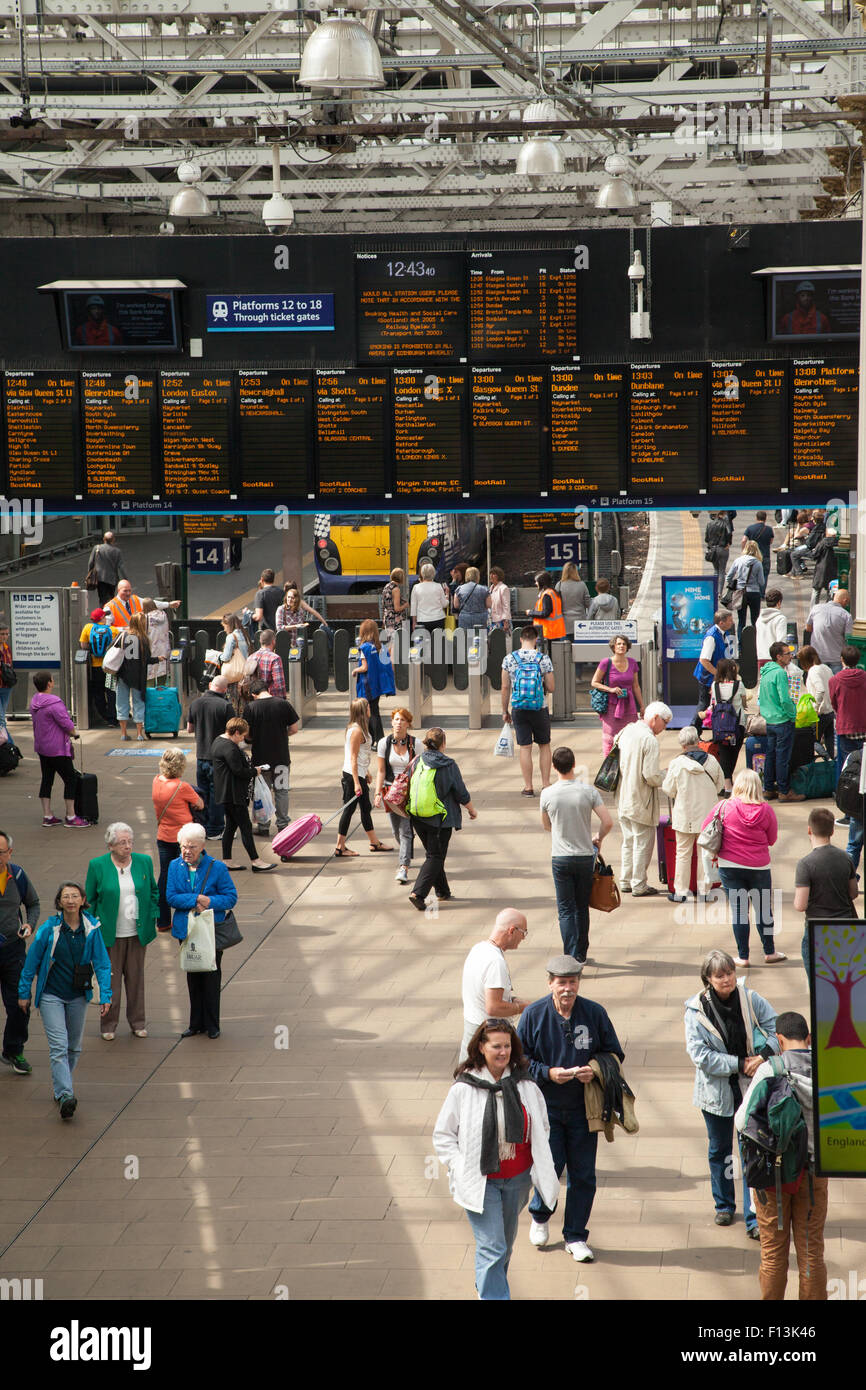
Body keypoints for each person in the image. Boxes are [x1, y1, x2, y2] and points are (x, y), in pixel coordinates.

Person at [432, 1018, 559, 1300]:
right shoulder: (464, 1089)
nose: (503, 1052)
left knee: (504, 1246)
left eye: (507, 1046)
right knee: (493, 1248)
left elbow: (542, 1125)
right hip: (481, 1182)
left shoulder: (525, 1084)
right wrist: (458, 1164)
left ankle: (486, 1287)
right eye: (496, 1046)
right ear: (481, 1047)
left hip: (517, 1180)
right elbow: (443, 1135)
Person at [518, 954, 624, 1263]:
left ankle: (576, 1235)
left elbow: (613, 1052)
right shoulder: (533, 1016)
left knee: (583, 1175)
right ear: (550, 983)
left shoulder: (594, 1013)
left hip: (584, 1109)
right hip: (546, 1109)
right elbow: (520, 1060)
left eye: (573, 982)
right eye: (561, 982)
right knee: (548, 1170)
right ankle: (540, 1215)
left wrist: (595, 1068)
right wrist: (548, 1073)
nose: (567, 989)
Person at [684, 949, 778, 1238]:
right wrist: (739, 1064)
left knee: (751, 1150)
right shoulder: (695, 1011)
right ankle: (724, 1204)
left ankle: (753, 1216)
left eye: (729, 973)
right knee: (720, 1149)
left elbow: (775, 1029)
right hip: (717, 1092)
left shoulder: (750, 998)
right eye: (719, 975)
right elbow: (700, 1055)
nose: (726, 979)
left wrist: (762, 1057)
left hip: (750, 1088)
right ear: (708, 979)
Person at [735, 1012, 829, 1300]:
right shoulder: (828, 1069)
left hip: (773, 1177)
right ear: (810, 1039)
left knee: (774, 1254)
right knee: (811, 1250)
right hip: (814, 1173)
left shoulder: (771, 1069)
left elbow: (741, 1121)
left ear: (779, 1039)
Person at [18, 882, 112, 1119]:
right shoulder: (49, 930)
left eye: (74, 896)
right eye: (65, 897)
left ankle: (61, 1086)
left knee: (73, 1047)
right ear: (59, 902)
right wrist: (23, 992)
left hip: (78, 995)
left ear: (82, 900)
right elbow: (31, 962)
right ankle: (66, 1094)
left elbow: (101, 963)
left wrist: (106, 996)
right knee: (59, 1046)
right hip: (51, 995)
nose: (70, 900)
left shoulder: (92, 928)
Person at [701, 769, 786, 965]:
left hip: (730, 867)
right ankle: (770, 952)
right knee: (764, 910)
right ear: (758, 786)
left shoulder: (723, 806)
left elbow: (706, 828)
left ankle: (743, 956)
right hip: (759, 868)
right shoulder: (766, 810)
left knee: (740, 912)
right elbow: (772, 839)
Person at [85, 824, 159, 1041]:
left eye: (130, 841)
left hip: (137, 933)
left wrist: (152, 915)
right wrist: (92, 926)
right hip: (109, 934)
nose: (128, 846)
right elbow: (89, 900)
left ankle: (138, 1023)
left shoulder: (143, 861)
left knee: (136, 980)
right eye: (122, 843)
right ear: (110, 846)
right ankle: (108, 1024)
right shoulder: (97, 865)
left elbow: (153, 890)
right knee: (110, 982)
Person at [541, 746, 613, 963]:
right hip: (584, 857)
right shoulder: (588, 791)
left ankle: (570, 955)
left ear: (554, 767)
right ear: (574, 765)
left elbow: (546, 825)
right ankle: (581, 954)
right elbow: (608, 821)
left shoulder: (547, 793)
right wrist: (598, 838)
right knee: (582, 906)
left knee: (565, 909)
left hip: (560, 857)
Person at [167, 823, 238, 1040]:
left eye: (192, 847)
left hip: (211, 930)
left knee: (211, 976)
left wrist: (210, 901)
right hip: (187, 931)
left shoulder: (217, 868)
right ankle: (195, 1023)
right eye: (183, 847)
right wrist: (195, 899)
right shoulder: (174, 866)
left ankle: (212, 1024)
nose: (187, 851)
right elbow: (171, 896)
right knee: (193, 975)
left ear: (202, 846)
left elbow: (231, 897)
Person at [407, 727, 476, 911]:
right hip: (440, 818)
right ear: (443, 744)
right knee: (435, 856)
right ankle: (418, 893)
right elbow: (460, 792)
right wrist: (471, 810)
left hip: (417, 816)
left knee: (434, 853)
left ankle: (442, 890)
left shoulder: (417, 760)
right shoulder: (448, 764)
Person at [662, 726, 724, 903]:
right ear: (698, 741)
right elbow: (719, 786)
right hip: (708, 816)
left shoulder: (676, 764)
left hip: (684, 816)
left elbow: (668, 789)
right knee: (706, 853)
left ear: (682, 745)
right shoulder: (712, 761)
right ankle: (704, 891)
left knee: (683, 853)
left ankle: (681, 892)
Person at [460, 909, 532, 1061]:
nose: (523, 938)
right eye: (523, 933)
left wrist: (511, 1000)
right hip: (489, 1037)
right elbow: (493, 1007)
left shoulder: (478, 948)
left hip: (472, 1028)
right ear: (512, 930)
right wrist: (523, 1007)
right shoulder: (495, 962)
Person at [794, 807, 858, 975]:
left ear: (809, 829)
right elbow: (853, 893)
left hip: (818, 930)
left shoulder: (805, 864)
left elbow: (800, 905)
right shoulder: (846, 858)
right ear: (832, 831)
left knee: (818, 983)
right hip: (846, 927)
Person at [616, 702, 672, 897]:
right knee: (642, 842)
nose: (664, 729)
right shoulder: (649, 740)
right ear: (655, 718)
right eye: (664, 723)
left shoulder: (627, 731)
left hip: (623, 796)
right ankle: (639, 884)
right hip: (641, 799)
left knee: (628, 841)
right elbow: (651, 776)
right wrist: (666, 775)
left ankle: (625, 879)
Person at [211, 717, 274, 872]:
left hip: (224, 792)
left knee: (231, 826)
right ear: (236, 732)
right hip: (233, 794)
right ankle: (256, 861)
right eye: (242, 736)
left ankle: (227, 860)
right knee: (245, 827)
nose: (243, 739)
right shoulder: (230, 748)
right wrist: (255, 771)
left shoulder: (218, 741)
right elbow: (238, 771)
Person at [0, 830, 39, 1076]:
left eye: (1, 852)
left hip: (13, 950)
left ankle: (14, 1049)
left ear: (10, 852)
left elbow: (33, 903)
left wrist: (29, 925)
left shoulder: (18, 874)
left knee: (20, 1002)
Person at [242, 677, 299, 844]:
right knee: (282, 791)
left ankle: (263, 825)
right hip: (282, 757)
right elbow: (294, 728)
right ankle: (283, 825)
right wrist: (281, 735)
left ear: (253, 694)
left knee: (262, 792)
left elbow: (247, 735)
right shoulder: (283, 704)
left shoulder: (251, 708)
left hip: (260, 759)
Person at [152, 751, 204, 930]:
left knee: (165, 876)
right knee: (194, 873)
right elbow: (200, 804)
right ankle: (191, 912)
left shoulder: (156, 781)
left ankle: (163, 920)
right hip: (184, 838)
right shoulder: (182, 787)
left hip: (163, 835)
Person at [335, 699, 393, 858]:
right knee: (349, 809)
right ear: (362, 710)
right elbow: (352, 757)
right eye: (367, 707)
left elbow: (359, 755)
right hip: (352, 776)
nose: (370, 708)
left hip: (358, 774)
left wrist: (365, 772)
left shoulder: (359, 728)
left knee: (365, 808)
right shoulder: (356, 731)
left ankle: (374, 842)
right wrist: (356, 782)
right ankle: (340, 846)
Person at [501, 625, 555, 797]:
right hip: (540, 707)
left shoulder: (510, 659)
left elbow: (504, 687)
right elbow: (552, 687)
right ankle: (546, 784)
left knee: (525, 747)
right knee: (544, 745)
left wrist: (504, 710)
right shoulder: (543, 658)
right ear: (536, 639)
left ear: (520, 639)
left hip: (519, 707)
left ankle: (528, 787)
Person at [30, 671, 88, 829]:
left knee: (47, 779)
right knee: (70, 779)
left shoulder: (34, 701)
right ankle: (71, 816)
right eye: (52, 680)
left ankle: (47, 815)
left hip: (42, 747)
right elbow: (67, 724)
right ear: (49, 683)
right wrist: (75, 733)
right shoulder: (54, 703)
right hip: (57, 749)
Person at [373, 707, 417, 885]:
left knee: (406, 831)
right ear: (392, 722)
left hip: (409, 792)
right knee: (395, 830)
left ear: (408, 724)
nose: (398, 723)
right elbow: (381, 771)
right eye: (396, 720)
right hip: (390, 792)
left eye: (402, 720)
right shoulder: (384, 743)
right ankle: (407, 852)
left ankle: (403, 867)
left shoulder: (416, 744)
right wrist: (377, 793)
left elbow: (421, 769)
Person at [187, 675, 231, 841]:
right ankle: (216, 829)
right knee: (217, 795)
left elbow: (189, 728)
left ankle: (203, 826)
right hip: (218, 758)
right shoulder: (226, 706)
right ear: (225, 689)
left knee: (203, 794)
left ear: (211, 685)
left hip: (201, 756)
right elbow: (232, 733)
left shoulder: (196, 703)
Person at [758, 641, 803, 802]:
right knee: (783, 757)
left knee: (771, 755)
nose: (790, 656)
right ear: (778, 657)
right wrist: (792, 714)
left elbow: (761, 697)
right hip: (783, 720)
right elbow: (785, 699)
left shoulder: (766, 672)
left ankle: (769, 788)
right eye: (787, 653)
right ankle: (784, 791)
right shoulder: (780, 673)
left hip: (770, 720)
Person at [591, 633, 644, 757]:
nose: (621, 646)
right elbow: (594, 682)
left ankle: (627, 762)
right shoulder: (606, 662)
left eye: (624, 644)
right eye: (619, 644)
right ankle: (609, 765)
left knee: (630, 736)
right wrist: (610, 689)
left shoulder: (632, 662)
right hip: (611, 706)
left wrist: (641, 706)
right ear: (613, 646)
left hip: (629, 706)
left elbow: (636, 686)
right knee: (610, 739)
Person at [704, 657, 747, 791]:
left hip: (720, 726)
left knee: (724, 753)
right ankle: (728, 784)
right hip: (737, 726)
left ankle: (726, 783)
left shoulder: (714, 686)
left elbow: (713, 703)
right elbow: (744, 702)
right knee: (733, 754)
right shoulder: (738, 685)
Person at [353, 619, 396, 744]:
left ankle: (375, 740)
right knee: (375, 711)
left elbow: (364, 667)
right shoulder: (380, 647)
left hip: (367, 684)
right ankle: (379, 740)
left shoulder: (364, 648)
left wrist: (355, 670)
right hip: (377, 685)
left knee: (368, 713)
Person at [829, 645, 866, 786]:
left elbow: (834, 704)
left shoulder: (835, 680)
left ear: (842, 659)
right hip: (863, 725)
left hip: (845, 726)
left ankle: (843, 791)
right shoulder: (864, 677)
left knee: (845, 763)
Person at [79, 607, 120, 728]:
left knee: (98, 692)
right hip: (109, 668)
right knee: (111, 691)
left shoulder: (87, 628)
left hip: (96, 667)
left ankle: (104, 716)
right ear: (102, 618)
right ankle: (113, 719)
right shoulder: (113, 630)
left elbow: (83, 646)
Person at [115, 611, 150, 742]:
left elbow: (111, 650)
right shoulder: (143, 639)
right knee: (138, 703)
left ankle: (123, 733)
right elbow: (146, 659)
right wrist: (158, 659)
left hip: (122, 674)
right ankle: (140, 734)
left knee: (122, 703)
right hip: (138, 676)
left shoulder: (123, 635)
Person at [694, 609, 737, 713]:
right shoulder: (712, 637)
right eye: (730, 620)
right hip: (707, 677)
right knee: (704, 704)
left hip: (713, 676)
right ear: (721, 623)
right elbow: (704, 660)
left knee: (708, 704)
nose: (732, 622)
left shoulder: (723, 633)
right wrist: (718, 674)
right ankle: (694, 726)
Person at [804, 588, 853, 674]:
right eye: (847, 602)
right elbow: (847, 637)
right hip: (836, 658)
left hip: (817, 656)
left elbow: (808, 628)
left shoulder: (816, 608)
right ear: (845, 601)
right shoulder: (846, 615)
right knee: (834, 685)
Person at [724, 539, 765, 640]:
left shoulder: (738, 560)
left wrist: (735, 583)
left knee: (741, 621)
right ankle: (756, 644)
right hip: (754, 593)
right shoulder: (758, 563)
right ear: (756, 550)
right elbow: (762, 582)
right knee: (755, 620)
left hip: (740, 593)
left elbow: (728, 577)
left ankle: (740, 646)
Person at [797, 645, 835, 753]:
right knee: (830, 741)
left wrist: (815, 707)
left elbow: (820, 689)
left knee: (813, 741)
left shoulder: (813, 671)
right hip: (830, 711)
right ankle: (832, 763)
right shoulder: (826, 668)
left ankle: (826, 758)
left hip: (819, 714)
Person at [104, 578, 179, 631]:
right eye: (125, 591)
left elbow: (152, 603)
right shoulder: (109, 607)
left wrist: (169, 604)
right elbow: (106, 628)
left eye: (130, 590)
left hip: (137, 639)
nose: (128, 593)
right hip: (120, 642)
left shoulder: (135, 599)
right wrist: (123, 629)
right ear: (118, 590)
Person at [527, 570, 566, 649]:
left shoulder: (546, 595)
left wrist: (530, 612)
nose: (536, 583)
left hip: (547, 631)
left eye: (536, 582)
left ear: (541, 582)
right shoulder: (554, 593)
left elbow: (546, 613)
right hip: (554, 630)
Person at [87, 531, 126, 607]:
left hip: (100, 578)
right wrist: (125, 579)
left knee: (102, 598)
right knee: (111, 597)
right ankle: (110, 613)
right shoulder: (117, 551)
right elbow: (121, 566)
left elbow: (91, 563)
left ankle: (102, 614)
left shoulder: (96, 548)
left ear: (103, 539)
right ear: (113, 539)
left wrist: (89, 574)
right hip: (112, 579)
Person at [245, 629, 286, 699]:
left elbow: (247, 680)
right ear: (273, 641)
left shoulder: (250, 657)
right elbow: (279, 685)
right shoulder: (275, 658)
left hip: (254, 699)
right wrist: (282, 699)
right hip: (270, 699)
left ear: (260, 641)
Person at [409, 562, 448, 636]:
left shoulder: (416, 587)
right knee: (438, 645)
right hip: (438, 619)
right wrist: (447, 596)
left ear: (422, 573)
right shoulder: (438, 586)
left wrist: (414, 622)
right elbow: (444, 604)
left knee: (423, 645)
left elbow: (413, 607)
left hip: (422, 620)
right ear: (433, 573)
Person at [755, 589, 789, 668]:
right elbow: (781, 641)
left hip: (761, 657)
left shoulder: (759, 618)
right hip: (775, 659)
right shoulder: (780, 618)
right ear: (779, 602)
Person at [217, 613, 249, 695]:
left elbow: (226, 657)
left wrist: (219, 656)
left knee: (232, 699)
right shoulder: (244, 634)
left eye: (224, 626)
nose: (224, 630)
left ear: (228, 625)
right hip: (244, 673)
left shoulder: (231, 637)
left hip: (234, 675)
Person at [453, 565, 491, 633]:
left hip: (465, 618)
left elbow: (456, 605)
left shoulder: (459, 589)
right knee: (479, 638)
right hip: (480, 618)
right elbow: (489, 604)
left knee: (465, 639)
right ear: (477, 576)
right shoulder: (484, 589)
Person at [556, 561, 590, 637]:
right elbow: (588, 603)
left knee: (564, 648)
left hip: (564, 622)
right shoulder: (582, 584)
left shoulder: (559, 585)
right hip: (581, 623)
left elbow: (556, 604)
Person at [790, 509, 826, 576]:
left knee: (793, 554)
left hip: (813, 551)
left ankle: (798, 573)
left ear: (814, 520)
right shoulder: (824, 527)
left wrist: (807, 538)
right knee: (796, 551)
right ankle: (795, 571)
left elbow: (810, 544)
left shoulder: (816, 530)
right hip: (819, 549)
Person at [809, 529, 838, 608]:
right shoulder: (838, 543)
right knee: (830, 592)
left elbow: (814, 555)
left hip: (821, 570)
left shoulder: (822, 543)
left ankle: (813, 609)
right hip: (833, 571)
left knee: (816, 591)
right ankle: (828, 608)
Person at [744, 512, 775, 583]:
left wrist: (744, 551)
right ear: (765, 519)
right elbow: (771, 541)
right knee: (764, 575)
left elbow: (743, 540)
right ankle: (762, 593)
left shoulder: (750, 528)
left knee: (752, 575)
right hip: (765, 556)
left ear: (756, 518)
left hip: (752, 556)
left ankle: (754, 592)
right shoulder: (769, 529)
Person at [704, 512, 731, 591]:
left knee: (716, 570)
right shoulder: (725, 524)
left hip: (713, 549)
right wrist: (728, 543)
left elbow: (706, 539)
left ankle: (715, 590)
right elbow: (729, 533)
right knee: (722, 571)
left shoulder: (709, 524)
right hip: (723, 548)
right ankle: (719, 592)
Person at [0, 620, 15, 749]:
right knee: (0, 719)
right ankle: (10, 745)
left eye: (6, 634)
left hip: (6, 686)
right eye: (2, 634)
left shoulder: (6, 648)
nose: (5, 636)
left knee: (2, 716)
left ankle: (8, 745)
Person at [381, 567, 407, 634]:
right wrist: (405, 605)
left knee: (390, 641)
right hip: (395, 620)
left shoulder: (386, 587)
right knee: (397, 642)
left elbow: (383, 605)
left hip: (387, 618)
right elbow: (397, 608)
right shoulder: (396, 589)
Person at [488, 567, 512, 634]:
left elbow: (506, 606)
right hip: (491, 620)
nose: (491, 576)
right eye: (490, 574)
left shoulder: (504, 588)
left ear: (499, 576)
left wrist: (506, 621)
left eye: (493, 574)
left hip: (501, 621)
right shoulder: (490, 588)